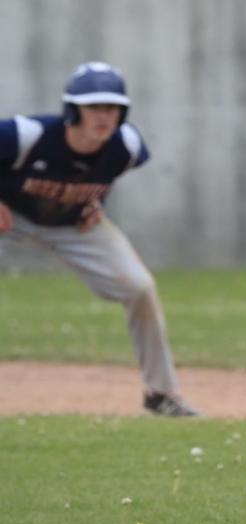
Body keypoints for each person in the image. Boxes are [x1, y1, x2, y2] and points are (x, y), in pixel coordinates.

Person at [1, 62, 199, 417]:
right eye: (92, 106)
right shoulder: (26, 134)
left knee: (140, 288)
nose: (102, 115)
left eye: (111, 107)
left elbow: (94, 175)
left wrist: (96, 201)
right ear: (72, 109)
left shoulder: (127, 147)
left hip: (73, 224)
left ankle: (161, 394)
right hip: (10, 214)